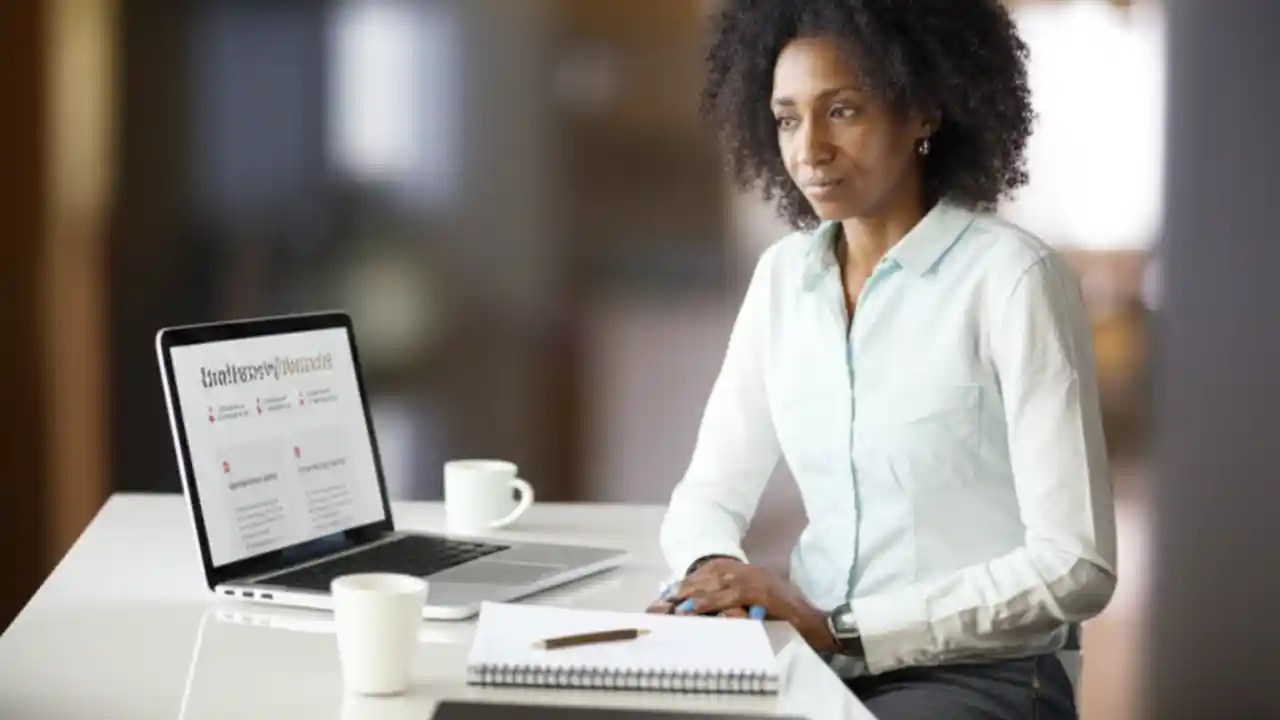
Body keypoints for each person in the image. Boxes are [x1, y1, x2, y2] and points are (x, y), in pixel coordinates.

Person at [648, 1, 1117, 718]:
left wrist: (843, 628)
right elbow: (707, 496)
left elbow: (1076, 566)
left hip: (976, 677)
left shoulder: (1013, 280)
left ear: (924, 110)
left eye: (842, 111)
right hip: (809, 658)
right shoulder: (783, 279)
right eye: (787, 119)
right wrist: (717, 577)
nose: (810, 149)